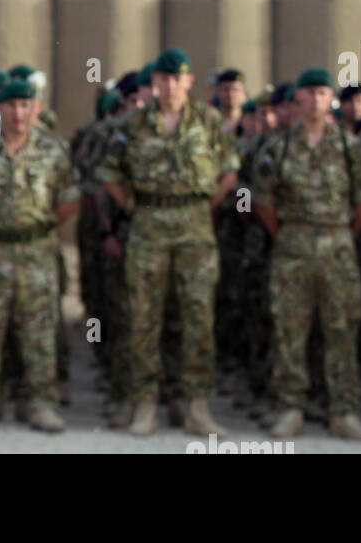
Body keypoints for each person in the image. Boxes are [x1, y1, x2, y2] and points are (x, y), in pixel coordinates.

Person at [97, 47, 237, 437]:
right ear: (153, 83)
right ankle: (144, 404)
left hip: (194, 227)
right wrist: (137, 208)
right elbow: (109, 175)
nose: (171, 86)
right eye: (163, 79)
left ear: (189, 82)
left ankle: (195, 405)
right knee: (144, 318)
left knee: (197, 319)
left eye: (178, 79)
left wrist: (201, 206)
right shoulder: (134, 124)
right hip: (148, 227)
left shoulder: (207, 121)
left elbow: (229, 172)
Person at [252, 67, 361, 440]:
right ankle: (290, 408)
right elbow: (264, 203)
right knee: (291, 330)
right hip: (294, 246)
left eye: (323, 93)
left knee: (341, 329)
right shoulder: (279, 147)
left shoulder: (348, 146)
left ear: (330, 99)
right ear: (298, 100)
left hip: (338, 246)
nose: (316, 100)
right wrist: (291, 232)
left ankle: (343, 410)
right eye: (309, 94)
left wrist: (341, 232)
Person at [0, 79, 78, 433]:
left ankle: (41, 403)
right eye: (10, 105)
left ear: (36, 108)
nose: (18, 112)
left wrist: (36, 227)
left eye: (26, 105)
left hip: (37, 250)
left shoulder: (53, 150)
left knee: (39, 331)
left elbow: (69, 199)